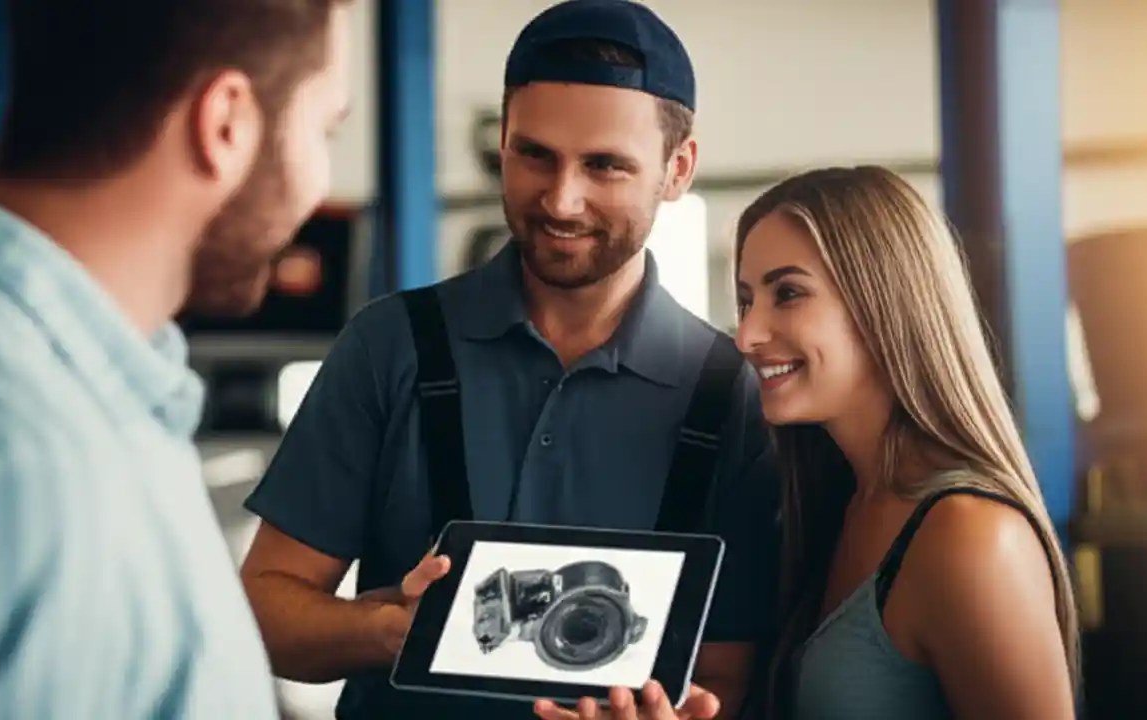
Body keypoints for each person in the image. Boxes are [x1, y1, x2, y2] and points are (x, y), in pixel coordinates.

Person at [238, 1, 781, 718]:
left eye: (604, 166)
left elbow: (725, 678)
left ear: (676, 170)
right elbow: (262, 612)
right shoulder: (389, 346)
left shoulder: (734, 397)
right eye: (534, 155)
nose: (562, 199)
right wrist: (387, 630)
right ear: (502, 141)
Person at [0, 1, 354, 717]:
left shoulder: (79, 390)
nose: (318, 183)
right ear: (226, 124)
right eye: (323, 129)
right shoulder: (20, 473)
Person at [731, 166, 1080, 720]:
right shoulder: (832, 506)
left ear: (885, 302)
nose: (747, 335)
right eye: (746, 300)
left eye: (788, 294)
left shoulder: (970, 535)